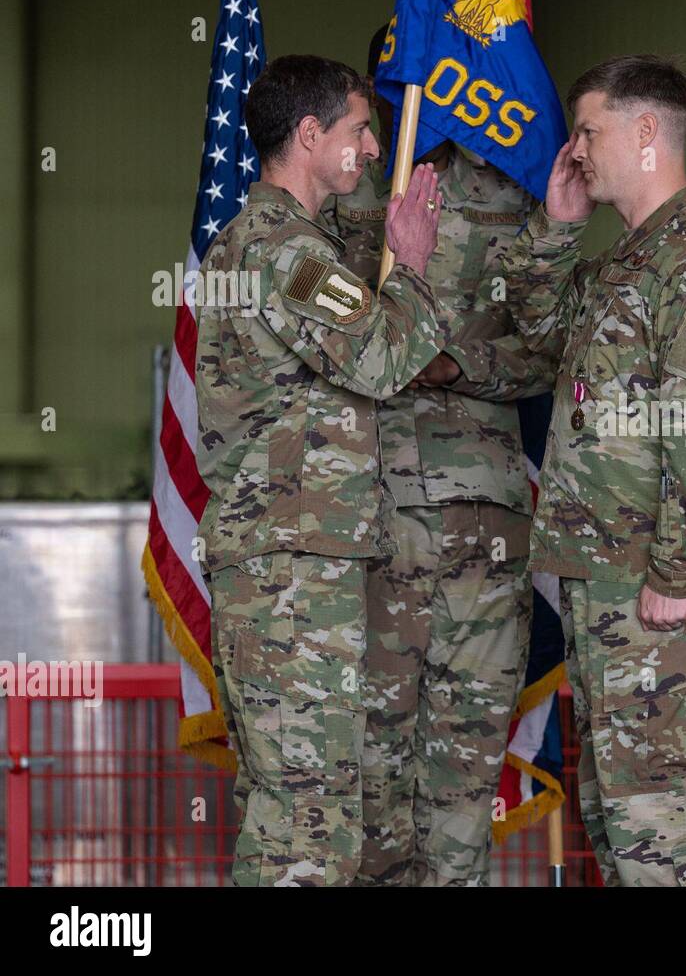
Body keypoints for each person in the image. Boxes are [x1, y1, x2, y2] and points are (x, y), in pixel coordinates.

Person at [498, 54, 686, 886]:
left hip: (658, 595)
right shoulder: (624, 264)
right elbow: (536, 334)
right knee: (620, 825)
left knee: (667, 829)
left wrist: (676, 571)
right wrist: (558, 226)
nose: (576, 149)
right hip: (602, 585)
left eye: (589, 130)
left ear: (646, 132)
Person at [195, 54, 449, 887]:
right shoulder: (284, 252)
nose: (374, 149)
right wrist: (410, 264)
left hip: (289, 565)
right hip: (289, 574)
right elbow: (380, 359)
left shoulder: (277, 242)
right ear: (309, 137)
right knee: (308, 819)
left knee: (300, 808)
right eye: (359, 130)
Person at [323, 27, 553, 886]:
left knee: (460, 789)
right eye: (390, 86)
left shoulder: (507, 191)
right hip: (368, 531)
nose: (401, 101)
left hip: (479, 536)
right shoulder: (336, 200)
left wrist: (457, 362)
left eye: (419, 80)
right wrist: (391, 346)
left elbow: (545, 347)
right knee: (368, 782)